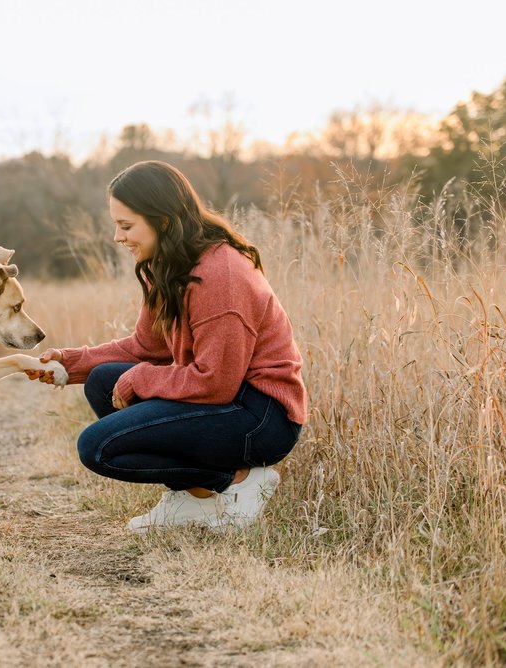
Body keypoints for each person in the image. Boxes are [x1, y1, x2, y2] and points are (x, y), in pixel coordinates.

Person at [26, 160, 307, 533]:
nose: (117, 237)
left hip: (261, 417)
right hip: (229, 401)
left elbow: (215, 382)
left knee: (96, 447)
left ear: (163, 221)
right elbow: (146, 347)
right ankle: (197, 500)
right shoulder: (172, 265)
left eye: (126, 226)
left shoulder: (219, 275)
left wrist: (140, 379)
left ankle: (239, 484)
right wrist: (72, 362)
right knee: (103, 382)